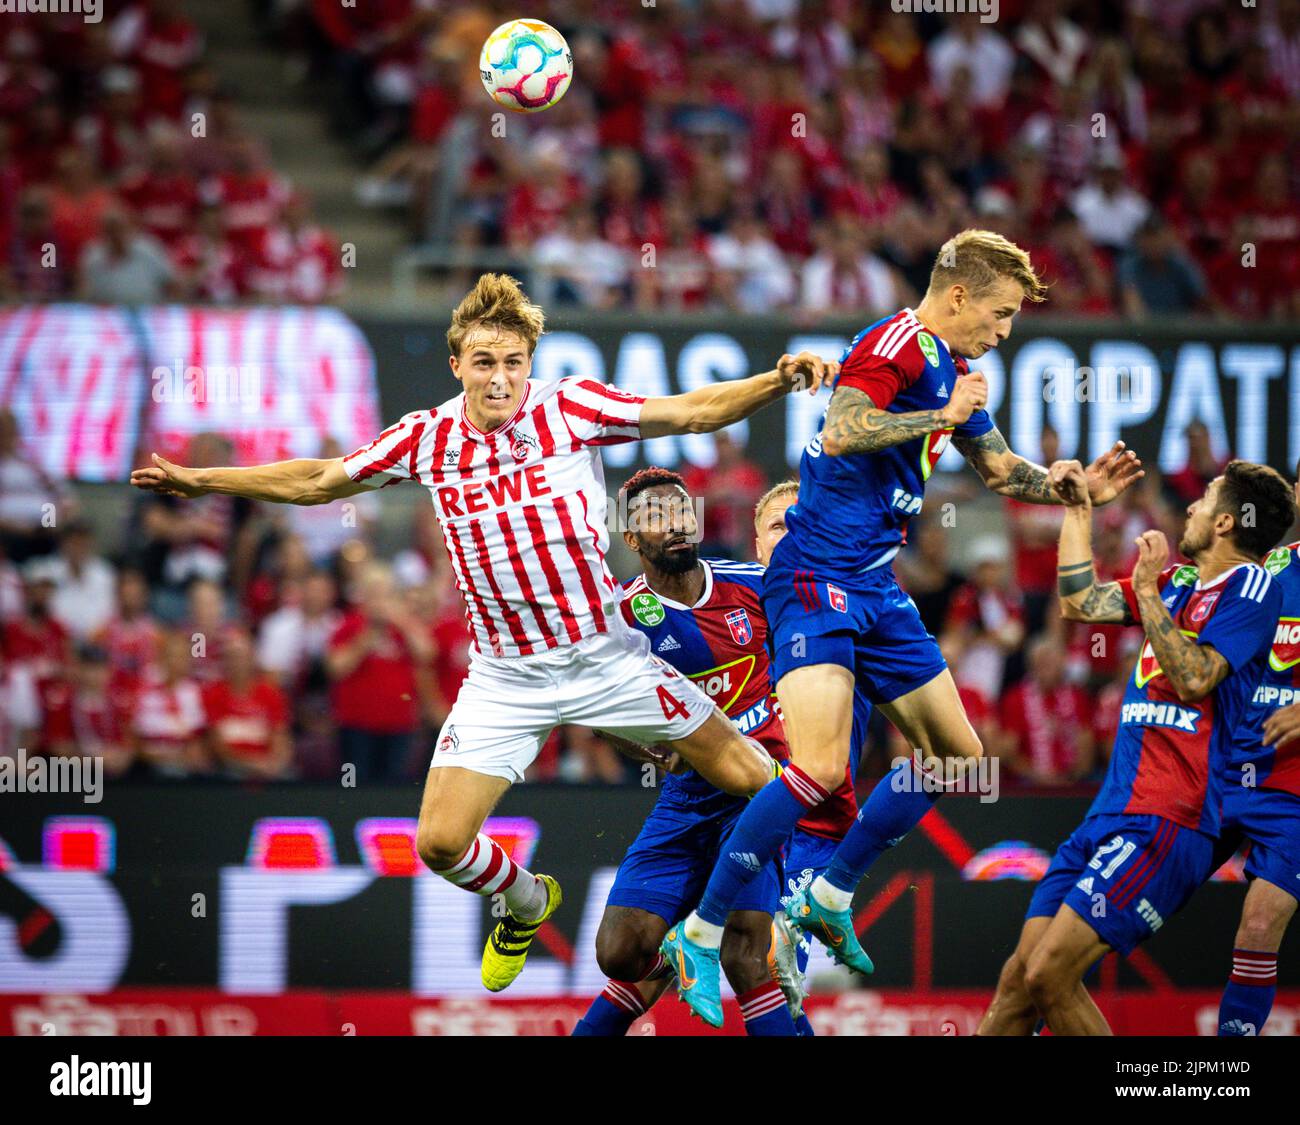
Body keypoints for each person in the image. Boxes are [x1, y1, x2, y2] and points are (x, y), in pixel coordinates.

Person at [129, 272, 828, 993]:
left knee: (759, 780)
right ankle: (526, 899)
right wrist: (205, 481)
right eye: (484, 362)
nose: (500, 378)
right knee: (438, 843)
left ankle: (805, 906)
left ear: (531, 363)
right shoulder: (425, 437)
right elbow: (318, 480)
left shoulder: (570, 408)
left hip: (607, 658)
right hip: (505, 677)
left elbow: (692, 412)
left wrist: (775, 381)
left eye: (513, 362)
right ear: (457, 364)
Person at [661, 228, 1143, 1026]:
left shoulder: (952, 366)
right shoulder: (892, 344)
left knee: (959, 758)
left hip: (875, 585)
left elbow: (997, 467)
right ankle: (702, 931)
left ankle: (828, 891)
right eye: (999, 312)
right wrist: (937, 415)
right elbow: (844, 427)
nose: (1004, 330)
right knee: (819, 768)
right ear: (957, 294)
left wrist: (1070, 487)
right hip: (815, 574)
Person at [979, 459, 1295, 1035]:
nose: (1191, 507)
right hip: (1109, 811)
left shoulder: (1253, 587)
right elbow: (1080, 602)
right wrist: (1078, 510)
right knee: (1019, 980)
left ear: (1226, 522)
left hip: (1169, 819)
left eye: (1205, 499)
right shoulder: (1176, 583)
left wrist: (1147, 590)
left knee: (1051, 976)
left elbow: (1195, 677)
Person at [574, 474, 865, 1037]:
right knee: (619, 953)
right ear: (631, 538)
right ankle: (683, 950)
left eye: (683, 510)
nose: (676, 523)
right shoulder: (621, 617)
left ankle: (702, 942)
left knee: (748, 956)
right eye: (657, 515)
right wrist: (653, 750)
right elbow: (599, 714)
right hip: (685, 801)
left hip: (761, 795)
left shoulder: (753, 585)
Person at [1211, 466, 1300, 1035]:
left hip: (1293, 792)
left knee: (1259, 928)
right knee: (1126, 904)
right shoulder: (1270, 570)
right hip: (1226, 771)